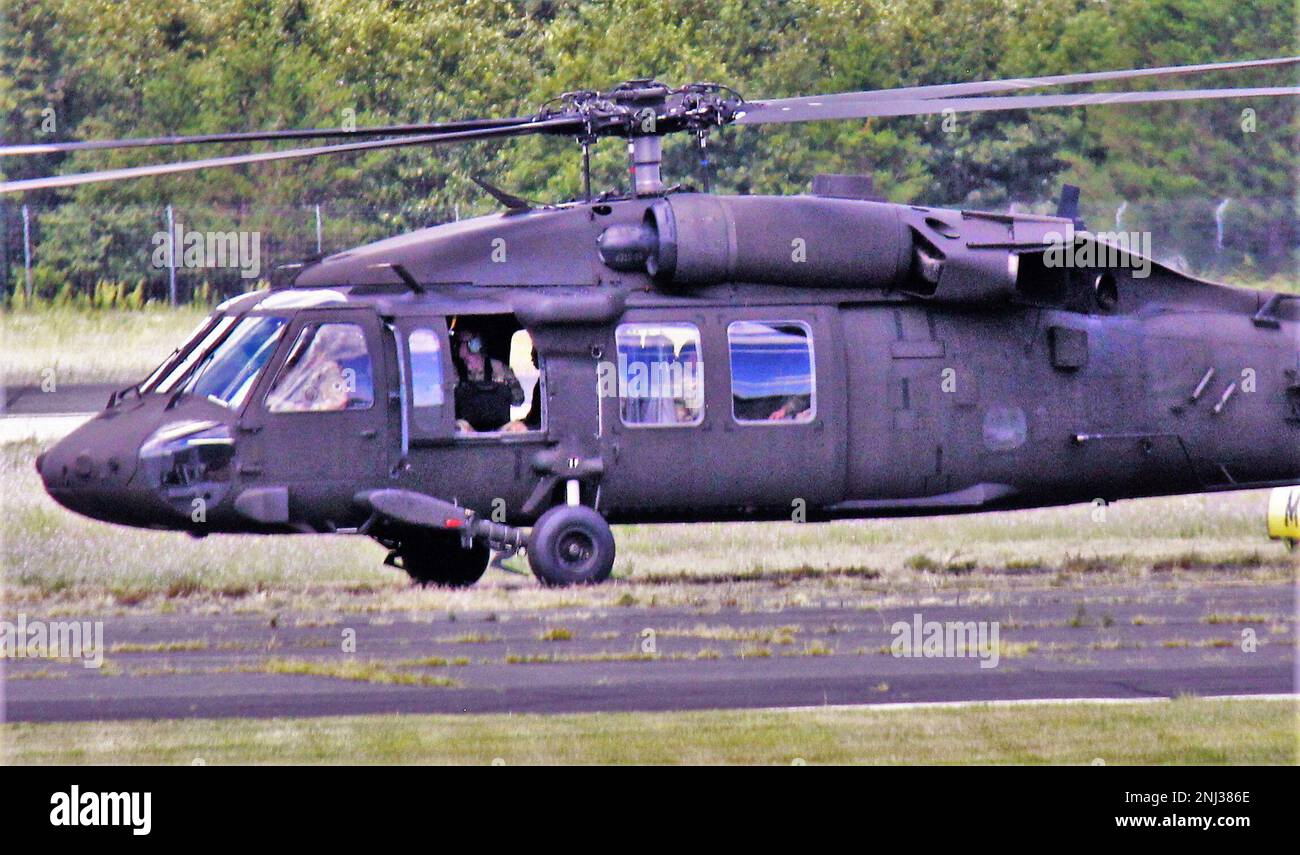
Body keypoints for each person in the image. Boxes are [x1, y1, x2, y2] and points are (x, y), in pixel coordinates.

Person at [453, 330, 525, 432]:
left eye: (460, 343)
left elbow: (518, 400)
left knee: (518, 428)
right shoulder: (453, 371)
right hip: (467, 430)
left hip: (500, 430)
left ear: (474, 344)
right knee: (460, 428)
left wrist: (507, 386)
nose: (456, 346)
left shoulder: (499, 368)